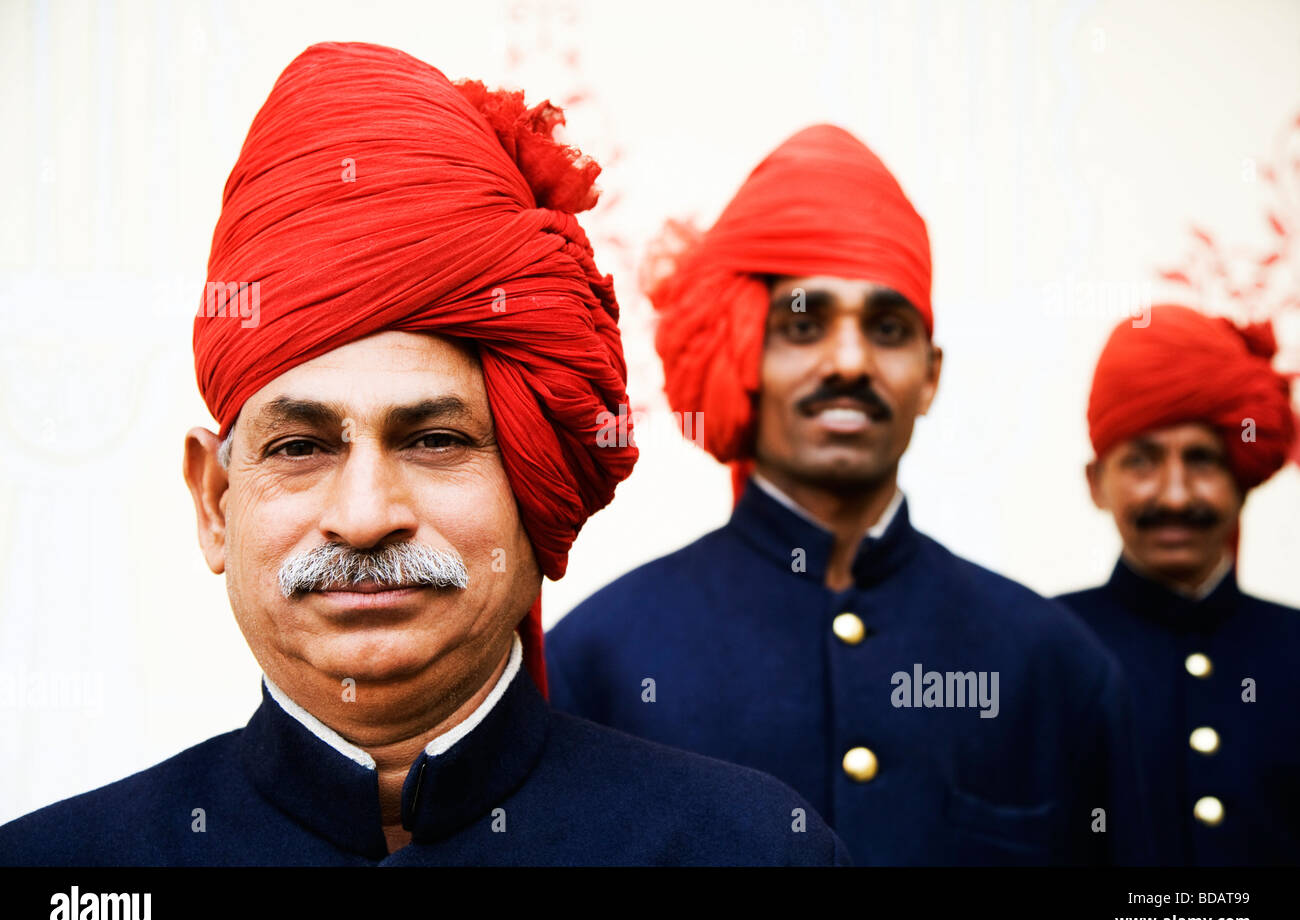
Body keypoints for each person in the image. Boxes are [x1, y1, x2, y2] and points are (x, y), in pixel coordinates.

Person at [0, 42, 848, 867]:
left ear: (539, 482)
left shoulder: (744, 850)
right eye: (299, 447)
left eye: (436, 440)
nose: (366, 517)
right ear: (214, 502)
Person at [546, 125, 1150, 864]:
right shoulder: (596, 664)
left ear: (929, 377)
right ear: (743, 354)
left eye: (887, 329)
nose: (850, 361)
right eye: (804, 324)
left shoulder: (1052, 667)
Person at [1057, 303, 1300, 865]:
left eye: (1202, 461)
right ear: (1096, 483)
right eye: (1141, 462)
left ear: (1242, 479)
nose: (1174, 495)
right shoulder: (1044, 649)